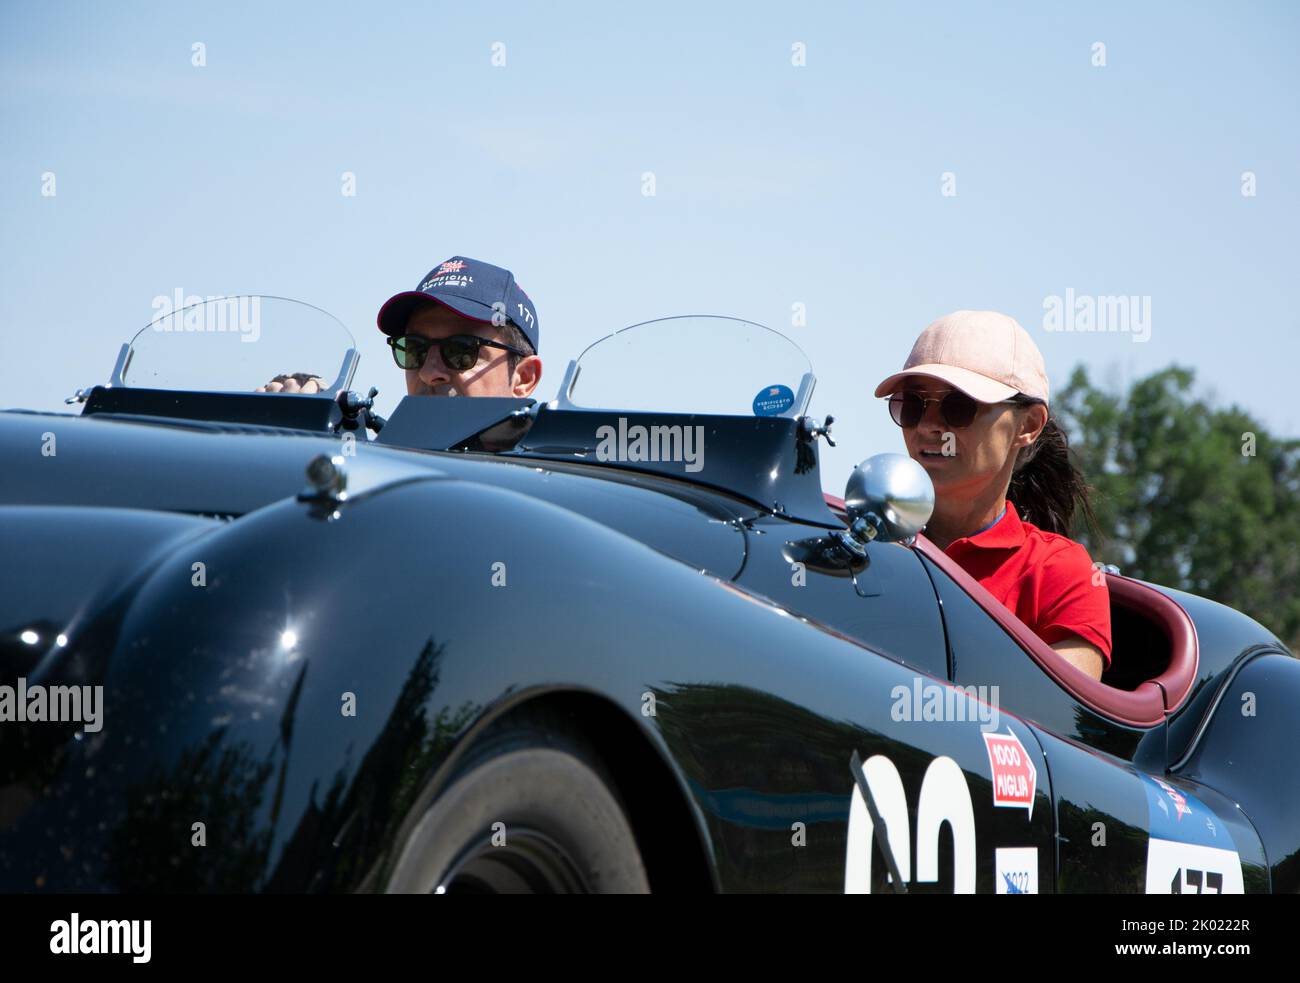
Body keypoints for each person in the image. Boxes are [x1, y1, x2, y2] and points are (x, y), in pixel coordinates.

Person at [873, 310, 1111, 680]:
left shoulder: (1063, 573)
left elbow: (1060, 718)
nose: (929, 425)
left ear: (1028, 425)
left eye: (958, 406)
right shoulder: (862, 541)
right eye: (913, 405)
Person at [259, 255, 542, 398]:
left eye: (460, 351)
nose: (429, 373)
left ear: (524, 377)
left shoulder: (560, 481)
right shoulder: (365, 468)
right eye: (414, 350)